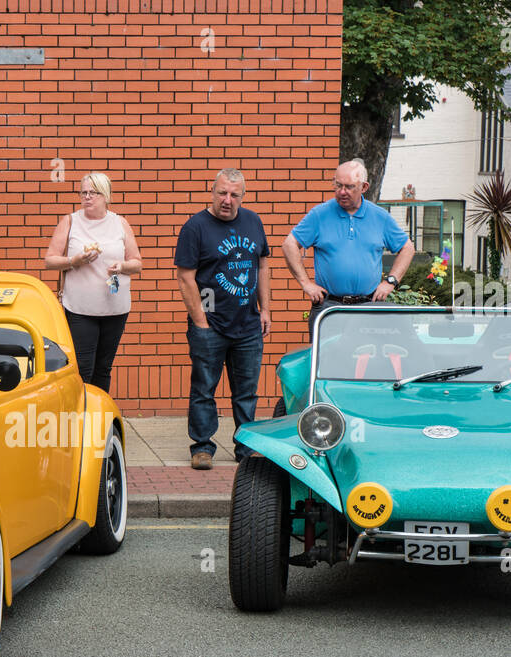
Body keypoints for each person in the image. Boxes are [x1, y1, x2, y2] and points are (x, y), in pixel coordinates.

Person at [175, 168, 271, 470]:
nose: (227, 200)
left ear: (242, 196)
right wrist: (200, 321)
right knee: (204, 389)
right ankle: (202, 447)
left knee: (246, 392)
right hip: (211, 325)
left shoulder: (253, 221)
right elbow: (185, 278)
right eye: (222, 193)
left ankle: (246, 448)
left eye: (234, 195)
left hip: (248, 325)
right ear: (212, 191)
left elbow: (263, 266)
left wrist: (265, 309)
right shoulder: (195, 227)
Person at [281, 159, 416, 338]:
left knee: (366, 362)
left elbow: (407, 248)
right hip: (330, 309)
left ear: (364, 187)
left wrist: (390, 282)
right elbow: (289, 244)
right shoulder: (319, 215)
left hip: (367, 307)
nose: (342, 192)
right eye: (338, 185)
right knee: (327, 363)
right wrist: (306, 284)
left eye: (349, 187)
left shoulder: (379, 217)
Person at [44, 172, 142, 393]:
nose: (87, 197)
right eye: (84, 192)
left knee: (103, 368)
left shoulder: (120, 223)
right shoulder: (71, 221)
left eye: (93, 193)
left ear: (105, 195)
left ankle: (100, 416)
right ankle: (81, 416)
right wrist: (74, 260)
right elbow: (50, 260)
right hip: (80, 310)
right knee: (83, 368)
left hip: (115, 310)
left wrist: (121, 266)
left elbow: (137, 263)